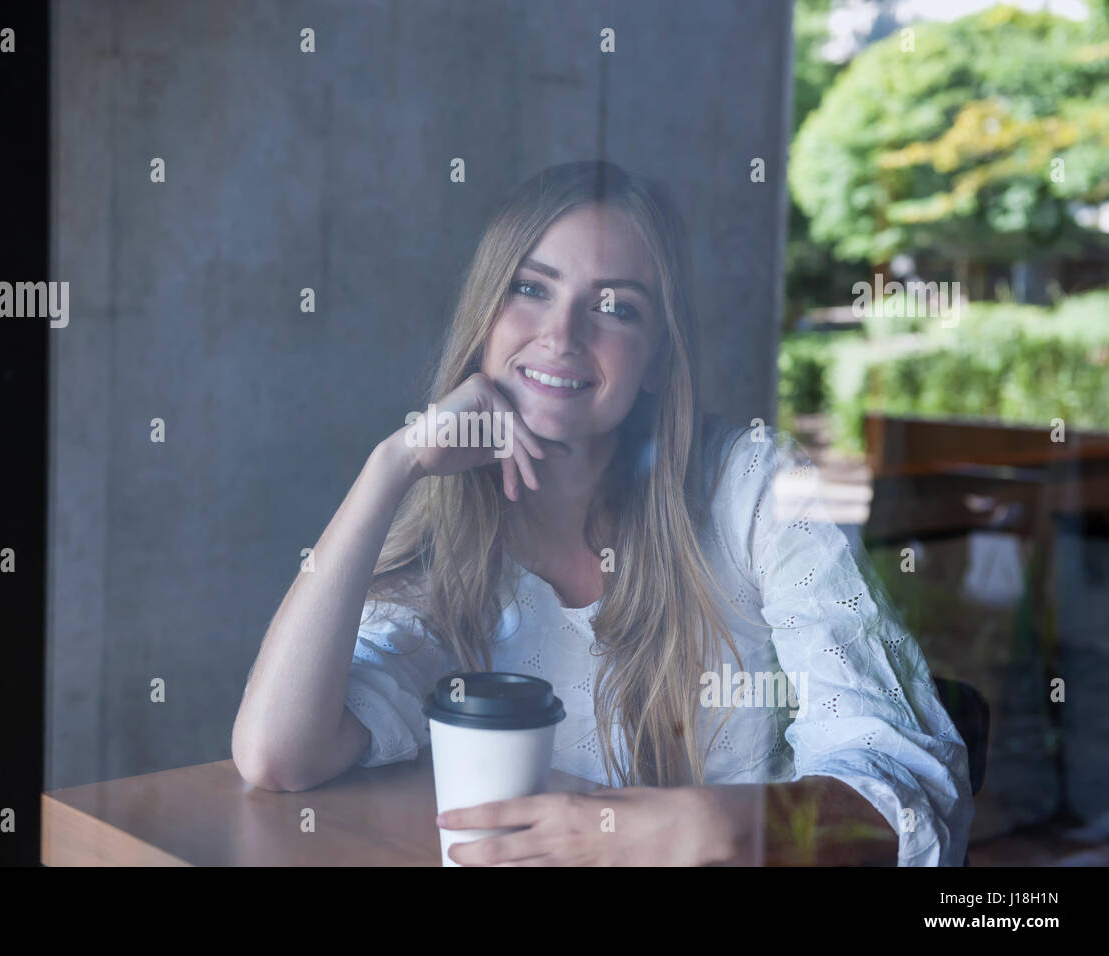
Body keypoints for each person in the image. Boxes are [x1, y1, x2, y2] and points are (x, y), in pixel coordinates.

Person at [232, 159, 974, 866]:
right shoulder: (455, 555)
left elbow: (901, 797)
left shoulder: (754, 491)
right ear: (484, 318)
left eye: (616, 306)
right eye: (530, 288)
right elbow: (277, 753)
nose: (561, 335)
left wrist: (687, 826)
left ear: (655, 358)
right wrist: (390, 465)